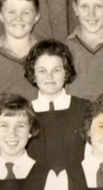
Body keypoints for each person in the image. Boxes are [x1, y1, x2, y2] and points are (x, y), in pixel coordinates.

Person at [23, 40, 91, 173]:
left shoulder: (84, 108)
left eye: (56, 70)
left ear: (66, 73)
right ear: (33, 74)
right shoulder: (25, 112)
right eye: (42, 71)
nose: (49, 77)